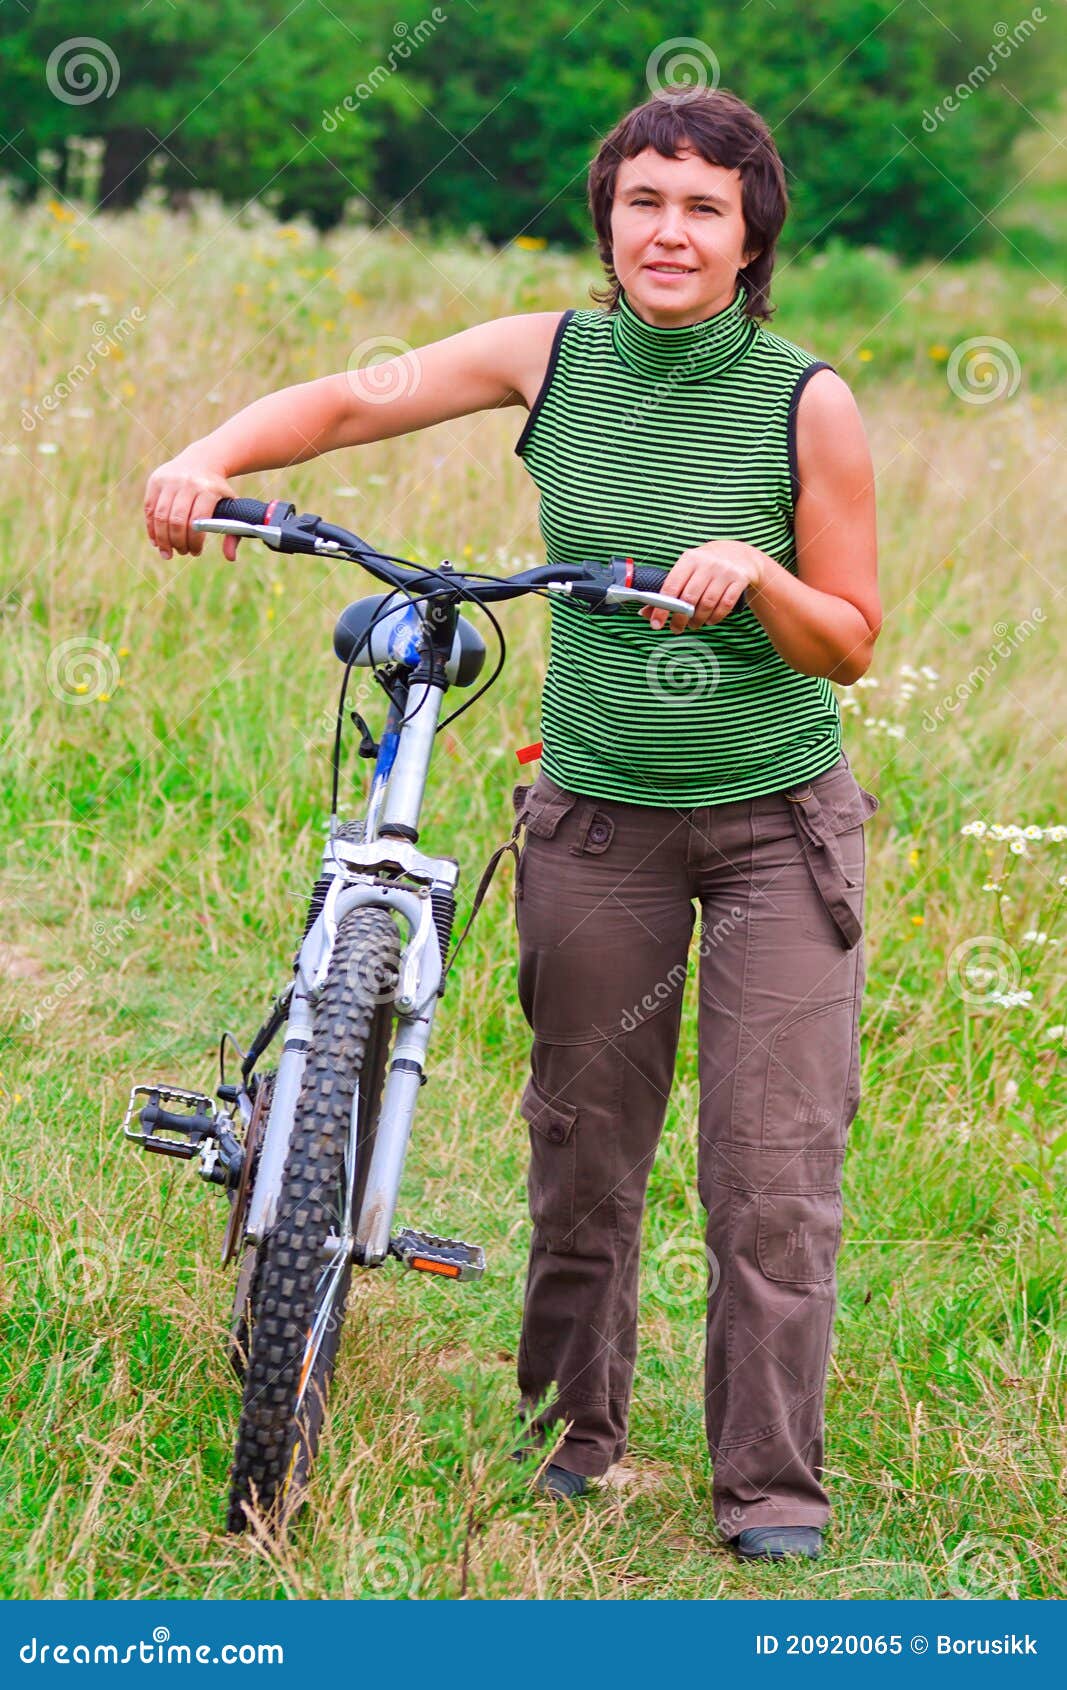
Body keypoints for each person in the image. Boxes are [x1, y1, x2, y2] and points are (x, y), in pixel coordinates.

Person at [144, 84, 881, 1564]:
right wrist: (211, 455)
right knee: (584, 1148)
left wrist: (759, 575)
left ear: (751, 238)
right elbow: (356, 399)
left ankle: (770, 1495)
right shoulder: (547, 355)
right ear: (609, 217)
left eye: (704, 209)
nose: (669, 231)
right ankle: (569, 1444)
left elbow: (851, 639)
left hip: (775, 834)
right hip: (596, 823)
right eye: (644, 201)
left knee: (771, 1173)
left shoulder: (808, 400)